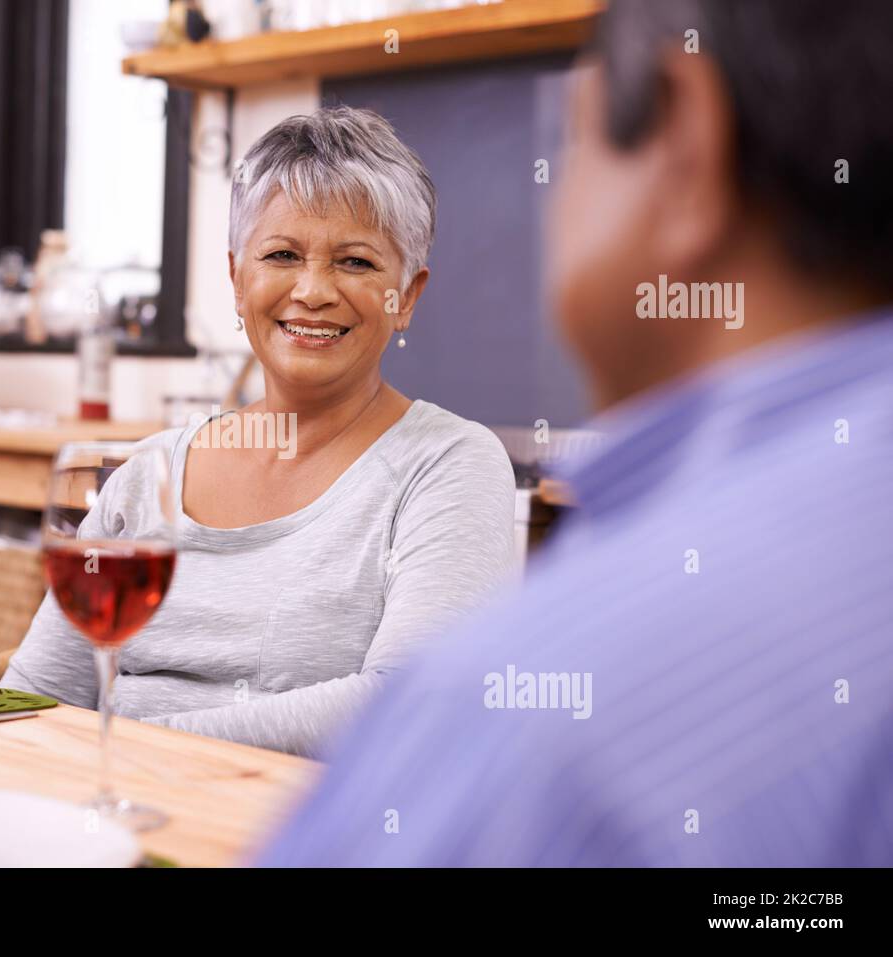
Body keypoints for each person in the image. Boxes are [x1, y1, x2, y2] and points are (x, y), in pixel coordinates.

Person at [258, 0, 893, 865]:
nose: (313, 289)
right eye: (281, 255)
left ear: (684, 139)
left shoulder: (518, 718)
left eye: (572, 143)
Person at [0, 107, 516, 757]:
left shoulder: (450, 465)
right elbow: (39, 693)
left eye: (355, 262)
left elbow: (411, 701)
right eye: (281, 255)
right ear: (237, 279)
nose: (313, 290)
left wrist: (123, 747)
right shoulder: (148, 471)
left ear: (406, 296)